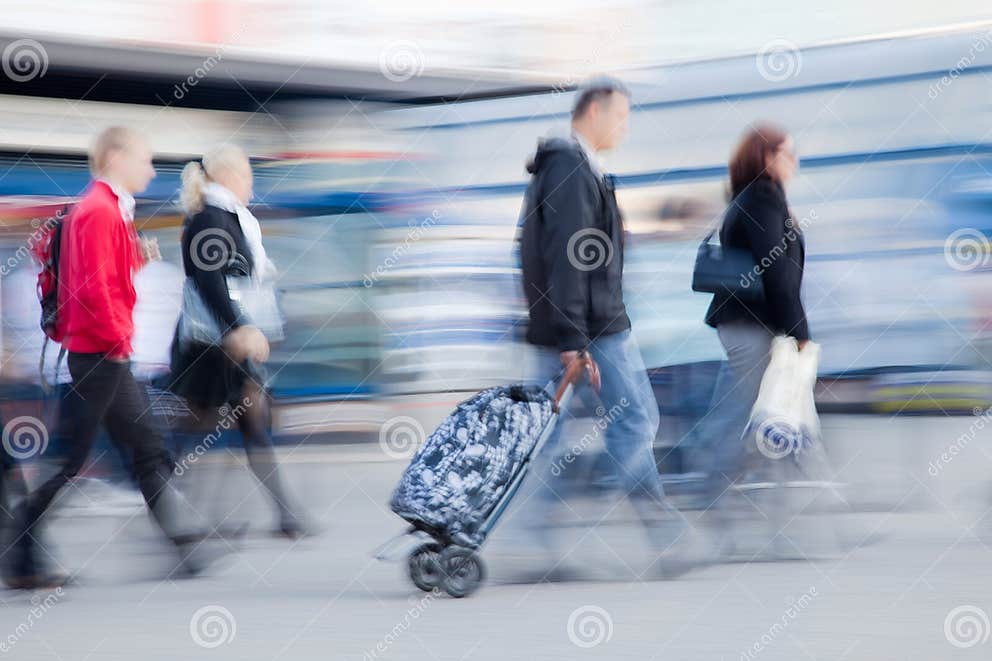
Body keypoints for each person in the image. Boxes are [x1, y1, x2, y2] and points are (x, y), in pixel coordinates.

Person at [6, 127, 227, 589]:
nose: (150, 169)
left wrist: (135, 266)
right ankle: (19, 555)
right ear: (115, 157)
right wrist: (119, 335)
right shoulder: (99, 211)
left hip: (105, 354)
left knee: (146, 447)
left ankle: (186, 545)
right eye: (144, 159)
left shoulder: (105, 211)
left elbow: (103, 278)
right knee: (70, 458)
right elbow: (91, 292)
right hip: (100, 354)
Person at [516, 77, 696, 577]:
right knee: (632, 421)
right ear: (593, 111)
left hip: (579, 325)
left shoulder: (571, 168)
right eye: (621, 116)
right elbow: (567, 258)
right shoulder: (570, 168)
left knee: (548, 436)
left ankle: (527, 540)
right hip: (591, 329)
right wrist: (573, 341)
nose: (625, 126)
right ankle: (664, 534)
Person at [167, 144, 309, 538]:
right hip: (211, 346)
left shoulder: (229, 219)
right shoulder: (211, 219)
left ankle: (284, 515)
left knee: (249, 423)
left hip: (223, 344)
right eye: (247, 176)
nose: (251, 184)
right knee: (205, 427)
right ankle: (171, 510)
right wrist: (240, 329)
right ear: (230, 177)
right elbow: (210, 283)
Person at [699, 123, 809, 537]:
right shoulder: (761, 200)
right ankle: (713, 499)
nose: (794, 162)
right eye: (788, 153)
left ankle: (766, 514)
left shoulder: (756, 199)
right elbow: (778, 271)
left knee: (759, 417)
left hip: (750, 324)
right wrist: (799, 331)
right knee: (746, 418)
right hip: (752, 326)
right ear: (767, 158)